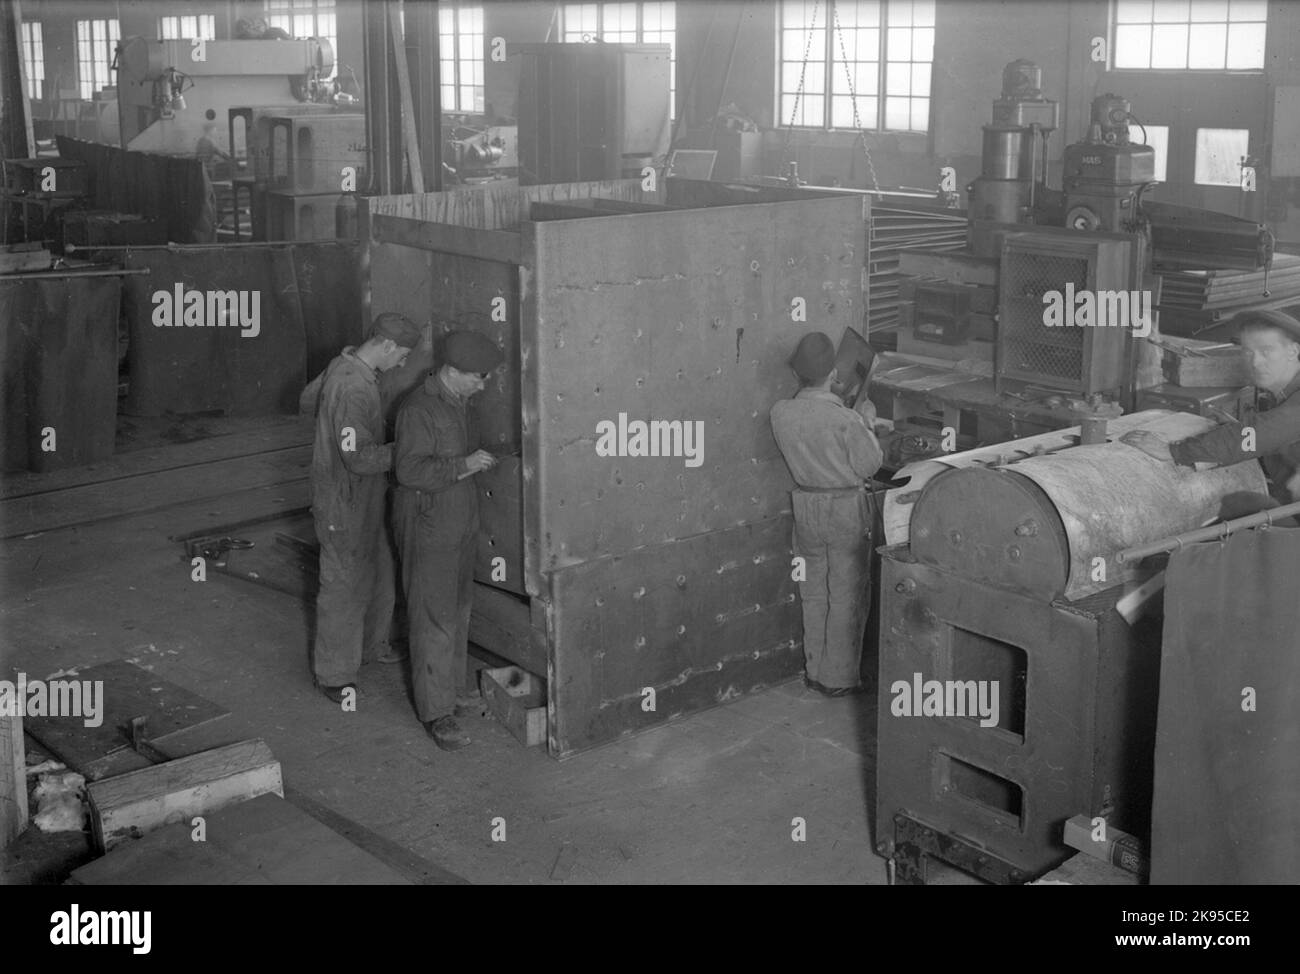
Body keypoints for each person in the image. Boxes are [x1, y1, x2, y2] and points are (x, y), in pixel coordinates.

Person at [393, 330, 504, 750]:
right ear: (452, 371)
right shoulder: (418, 408)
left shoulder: (458, 401)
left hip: (458, 521)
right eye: (478, 376)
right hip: (429, 524)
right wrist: (465, 464)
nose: (483, 384)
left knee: (457, 610)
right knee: (433, 618)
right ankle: (437, 714)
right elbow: (409, 471)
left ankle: (453, 691)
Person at [310, 313, 421, 703]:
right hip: (344, 501)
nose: (403, 363)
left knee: (379, 572)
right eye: (403, 355)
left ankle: (373, 646)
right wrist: (408, 451)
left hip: (365, 497)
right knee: (344, 585)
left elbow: (307, 400)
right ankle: (334, 675)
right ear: (386, 346)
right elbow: (357, 457)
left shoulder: (346, 365)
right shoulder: (352, 385)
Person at [770, 331, 883, 697]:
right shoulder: (846, 420)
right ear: (833, 372)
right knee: (847, 594)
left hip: (806, 507)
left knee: (814, 591)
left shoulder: (780, 413)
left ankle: (814, 669)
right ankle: (838, 679)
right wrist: (865, 420)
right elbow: (869, 465)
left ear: (798, 372)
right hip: (845, 509)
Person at [1122, 310, 1300, 504]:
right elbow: (1272, 433)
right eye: (1248, 352)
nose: (1255, 362)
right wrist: (1237, 427)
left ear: (1293, 351)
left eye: (1266, 351)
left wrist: (1174, 451)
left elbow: (1261, 434)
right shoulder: (1281, 395)